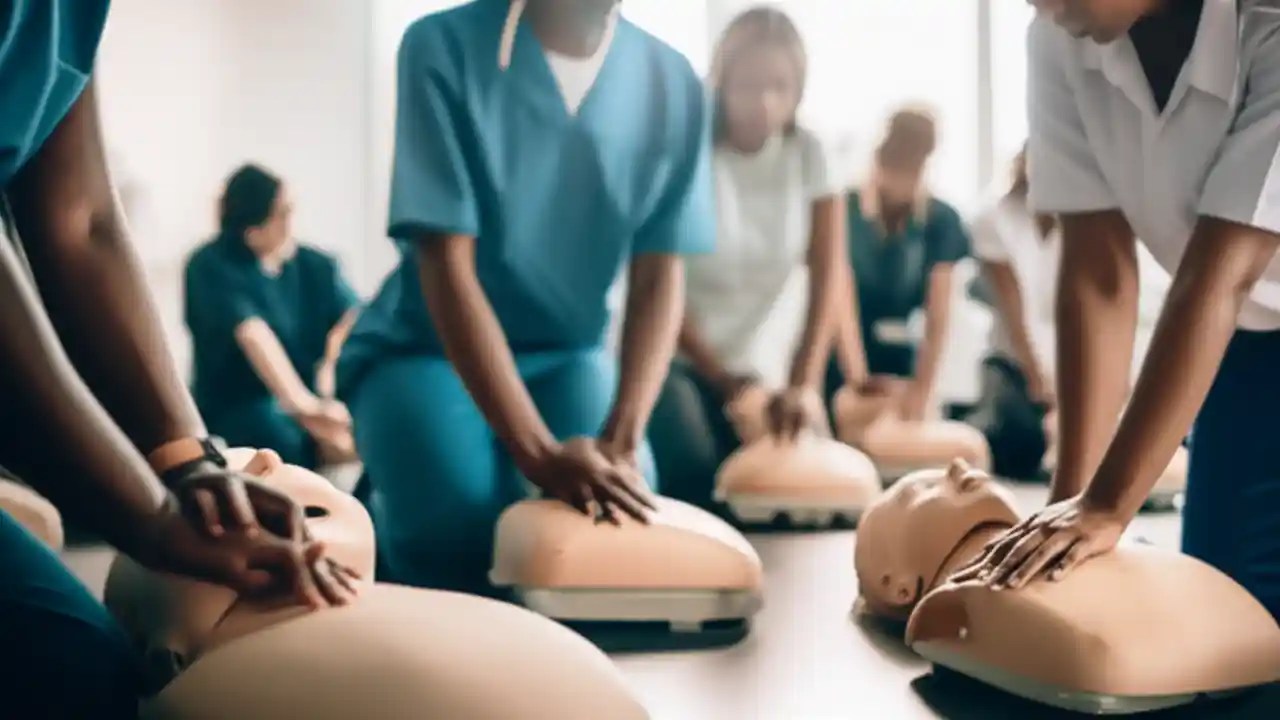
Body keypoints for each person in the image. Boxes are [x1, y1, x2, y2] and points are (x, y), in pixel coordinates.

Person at [0, 2, 356, 716]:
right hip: (243, 402)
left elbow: (83, 219)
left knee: (85, 674)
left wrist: (187, 462)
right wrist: (151, 517)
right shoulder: (215, 268)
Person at [336, 0, 712, 594]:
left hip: (567, 351)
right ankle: (387, 500)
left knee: (612, 523)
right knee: (458, 528)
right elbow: (445, 261)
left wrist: (623, 437)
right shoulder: (442, 46)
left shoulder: (674, 81)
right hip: (424, 349)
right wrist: (535, 453)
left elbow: (660, 270)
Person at [958, 0, 1280, 625]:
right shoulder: (1060, 37)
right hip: (1243, 344)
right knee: (1221, 613)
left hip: (1228, 299)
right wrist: (1073, 505)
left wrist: (1109, 504)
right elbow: (1100, 275)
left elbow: (1222, 273)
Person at [648, 6, 843, 506]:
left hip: (758, 367)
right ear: (721, 80)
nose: (764, 102)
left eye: (780, 86)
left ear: (799, 88)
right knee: (697, 467)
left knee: (798, 477)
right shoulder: (685, 150)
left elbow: (828, 278)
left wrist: (803, 383)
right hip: (674, 356)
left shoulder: (810, 154)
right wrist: (722, 381)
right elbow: (657, 277)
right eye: (748, 84)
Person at [185, 164, 361, 470]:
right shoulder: (210, 266)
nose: (289, 223)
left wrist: (331, 378)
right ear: (251, 230)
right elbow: (253, 335)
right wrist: (305, 406)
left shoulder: (316, 266)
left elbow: (352, 321)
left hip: (311, 400)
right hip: (243, 409)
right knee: (274, 434)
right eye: (282, 214)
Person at [830, 108, 970, 421]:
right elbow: (839, 298)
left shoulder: (941, 219)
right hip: (842, 355)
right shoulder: (845, 210)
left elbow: (938, 316)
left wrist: (922, 392)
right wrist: (858, 379)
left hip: (901, 357)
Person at [963, 147, 1060, 479]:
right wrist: (1042, 383)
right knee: (1020, 443)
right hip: (1016, 365)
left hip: (1069, 363)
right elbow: (1013, 313)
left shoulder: (1085, 225)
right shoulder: (993, 218)